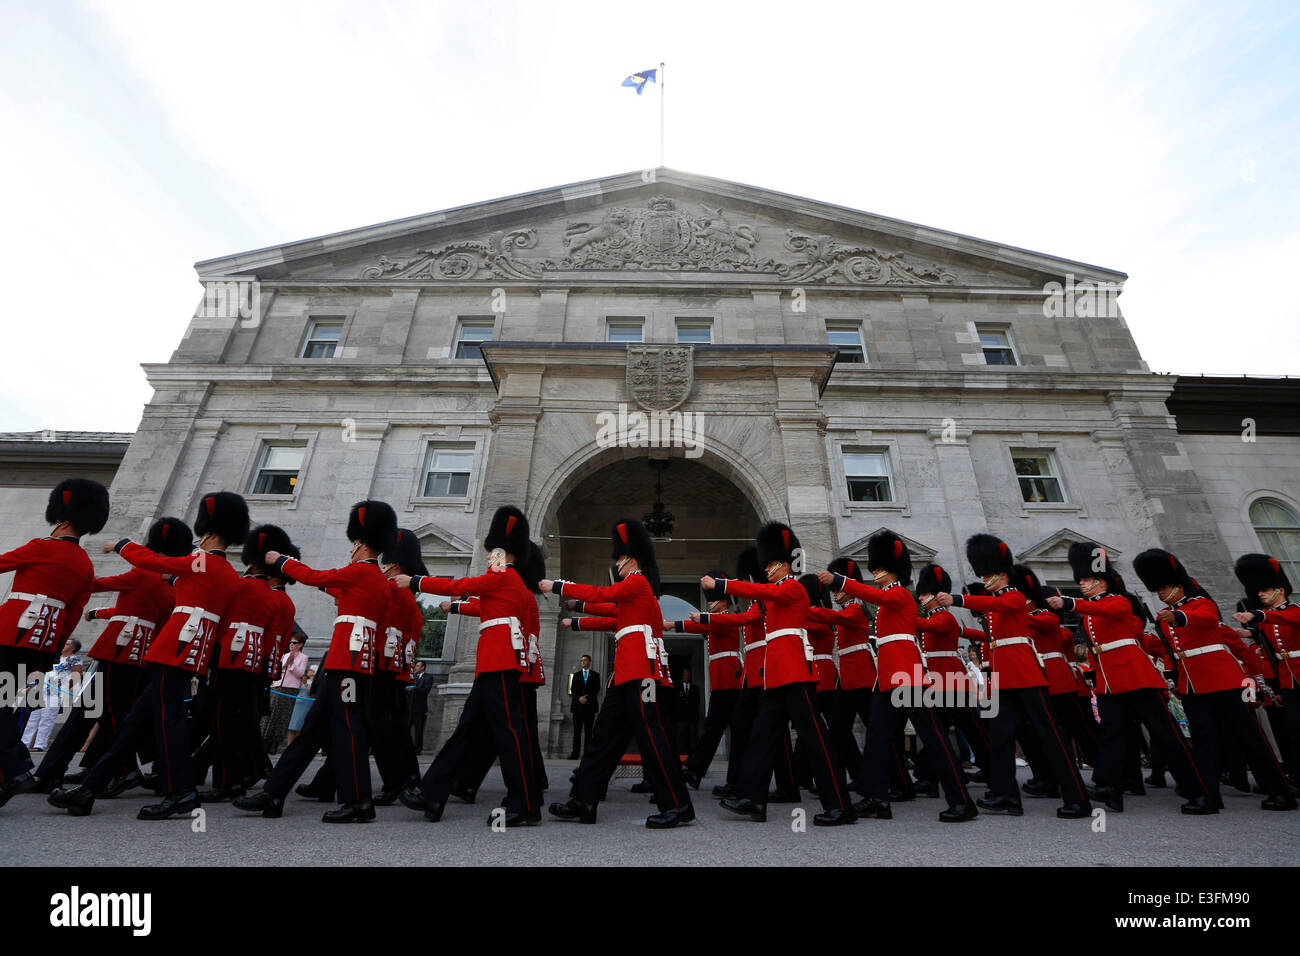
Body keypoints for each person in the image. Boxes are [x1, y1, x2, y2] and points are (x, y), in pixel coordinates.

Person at [51, 491, 248, 819]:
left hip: (175, 648)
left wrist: (122, 544)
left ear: (210, 533)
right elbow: (223, 623)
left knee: (168, 723)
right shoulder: (230, 575)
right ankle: (88, 790)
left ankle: (181, 791)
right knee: (132, 724)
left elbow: (153, 562)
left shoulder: (203, 562)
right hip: (188, 650)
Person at [234, 500, 395, 823]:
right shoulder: (370, 580)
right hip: (345, 663)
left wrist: (282, 560)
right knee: (310, 733)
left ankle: (359, 802)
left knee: (349, 731)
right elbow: (327, 583)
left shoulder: (361, 572)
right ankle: (274, 793)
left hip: (349, 665)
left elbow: (312, 575)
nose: (351, 549)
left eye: (354, 543)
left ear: (361, 543)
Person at [396, 506, 541, 826]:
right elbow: (481, 605)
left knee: (509, 736)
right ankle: (432, 794)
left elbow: (459, 586)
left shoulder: (503, 574)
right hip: (492, 666)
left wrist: (416, 581)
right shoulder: (506, 582)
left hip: (500, 665)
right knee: (464, 734)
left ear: (501, 552)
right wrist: (458, 607)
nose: (490, 557)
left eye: (493, 552)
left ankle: (526, 803)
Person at [547, 518, 694, 828]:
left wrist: (560, 585)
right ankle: (584, 800)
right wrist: (577, 609)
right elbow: (608, 613)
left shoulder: (638, 583)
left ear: (632, 558)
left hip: (642, 675)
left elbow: (602, 596)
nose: (617, 563)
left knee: (653, 739)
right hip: (626, 675)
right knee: (603, 739)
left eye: (620, 558)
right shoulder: (635, 595)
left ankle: (678, 805)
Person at [1045, 542, 1211, 814]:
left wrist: (1071, 603)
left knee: (1165, 734)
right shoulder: (1093, 608)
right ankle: (1109, 787)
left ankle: (1199, 791)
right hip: (1110, 680)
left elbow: (1112, 613)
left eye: (1087, 579)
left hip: (1135, 676)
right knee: (1112, 734)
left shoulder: (1118, 601)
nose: (1083, 583)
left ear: (1102, 581)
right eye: (1082, 579)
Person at [820, 533, 976, 823]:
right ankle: (877, 797)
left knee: (934, 739)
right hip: (890, 678)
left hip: (909, 676)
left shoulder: (900, 593)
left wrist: (840, 581)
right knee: (878, 739)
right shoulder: (890, 602)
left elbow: (877, 597)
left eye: (879, 568)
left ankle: (962, 801)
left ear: (893, 569)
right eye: (874, 568)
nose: (874, 572)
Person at [937, 533, 1091, 819]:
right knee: (999, 737)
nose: (985, 580)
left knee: (1051, 736)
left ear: (1002, 574)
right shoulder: (997, 599)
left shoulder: (1014, 596)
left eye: (988, 575)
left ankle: (1077, 798)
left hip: (1025, 673)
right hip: (1004, 676)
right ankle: (1007, 796)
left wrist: (958, 599)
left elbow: (997, 606)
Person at [1133, 548, 1295, 811]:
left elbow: (1207, 619)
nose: (1160, 593)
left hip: (1225, 680)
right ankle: (1207, 794)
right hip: (1193, 684)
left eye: (1164, 587)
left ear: (1178, 586)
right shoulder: (1165, 619)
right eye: (1158, 588)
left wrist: (1180, 617)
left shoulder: (1200, 603)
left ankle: (1280, 791)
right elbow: (1174, 652)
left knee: (1249, 736)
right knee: (1202, 740)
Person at [717, 522, 854, 826]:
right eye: (765, 564)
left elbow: (758, 590)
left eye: (772, 564)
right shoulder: (775, 593)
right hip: (776, 677)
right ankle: (753, 799)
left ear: (785, 563)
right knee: (761, 739)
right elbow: (754, 603)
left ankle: (840, 805)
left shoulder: (792, 587)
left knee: (816, 740)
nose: (767, 569)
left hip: (796, 675)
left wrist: (725, 586)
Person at [0, 478, 106, 808]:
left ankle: (16, 768)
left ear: (60, 515)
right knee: (5, 704)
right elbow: (73, 614)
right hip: (42, 641)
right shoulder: (84, 564)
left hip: (10, 632)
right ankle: (7, 776)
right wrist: (51, 649)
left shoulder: (41, 546)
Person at [23, 638, 83, 752]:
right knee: (33, 718)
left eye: (67, 643)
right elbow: (41, 673)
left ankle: (39, 744)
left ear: (73, 648)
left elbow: (76, 676)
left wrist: (64, 687)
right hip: (40, 690)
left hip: (55, 693)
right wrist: (31, 686)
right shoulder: (54, 658)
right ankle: (25, 743)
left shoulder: (74, 660)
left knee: (46, 719)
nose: (64, 645)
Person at [265, 634, 309, 754]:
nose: (291, 645)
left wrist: (292, 665)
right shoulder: (284, 655)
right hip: (277, 686)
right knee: (271, 713)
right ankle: (265, 740)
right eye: (291, 642)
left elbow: (300, 673)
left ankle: (275, 743)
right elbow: (278, 669)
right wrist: (285, 664)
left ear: (300, 645)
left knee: (282, 716)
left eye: (294, 643)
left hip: (289, 688)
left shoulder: (303, 657)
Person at [567, 653, 599, 759]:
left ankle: (587, 754)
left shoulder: (595, 675)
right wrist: (579, 698)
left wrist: (587, 698)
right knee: (577, 731)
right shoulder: (576, 675)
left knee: (589, 732)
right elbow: (573, 689)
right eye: (582, 660)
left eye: (585, 660)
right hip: (577, 707)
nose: (583, 662)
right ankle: (575, 753)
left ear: (589, 662)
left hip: (589, 707)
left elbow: (596, 689)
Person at [408, 661, 434, 754]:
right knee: (406, 728)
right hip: (409, 707)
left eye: (418, 666)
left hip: (419, 708)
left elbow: (425, 690)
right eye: (416, 666)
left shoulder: (428, 677)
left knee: (419, 730)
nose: (415, 667)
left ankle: (417, 749)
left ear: (423, 667)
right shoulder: (412, 677)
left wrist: (414, 688)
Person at [287, 666, 316, 746]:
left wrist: (305, 684)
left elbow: (312, 693)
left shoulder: (315, 682)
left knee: (299, 726)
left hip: (306, 705)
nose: (309, 671)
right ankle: (289, 745)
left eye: (311, 670)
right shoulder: (303, 680)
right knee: (292, 726)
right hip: (297, 704)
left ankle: (296, 746)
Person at [676, 667, 702, 754]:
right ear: (682, 676)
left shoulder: (695, 688)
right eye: (685, 675)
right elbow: (675, 702)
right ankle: (681, 755)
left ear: (690, 676)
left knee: (693, 737)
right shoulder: (677, 688)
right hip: (681, 717)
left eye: (688, 675)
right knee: (681, 737)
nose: (686, 677)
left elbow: (697, 702)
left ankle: (693, 754)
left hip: (692, 717)